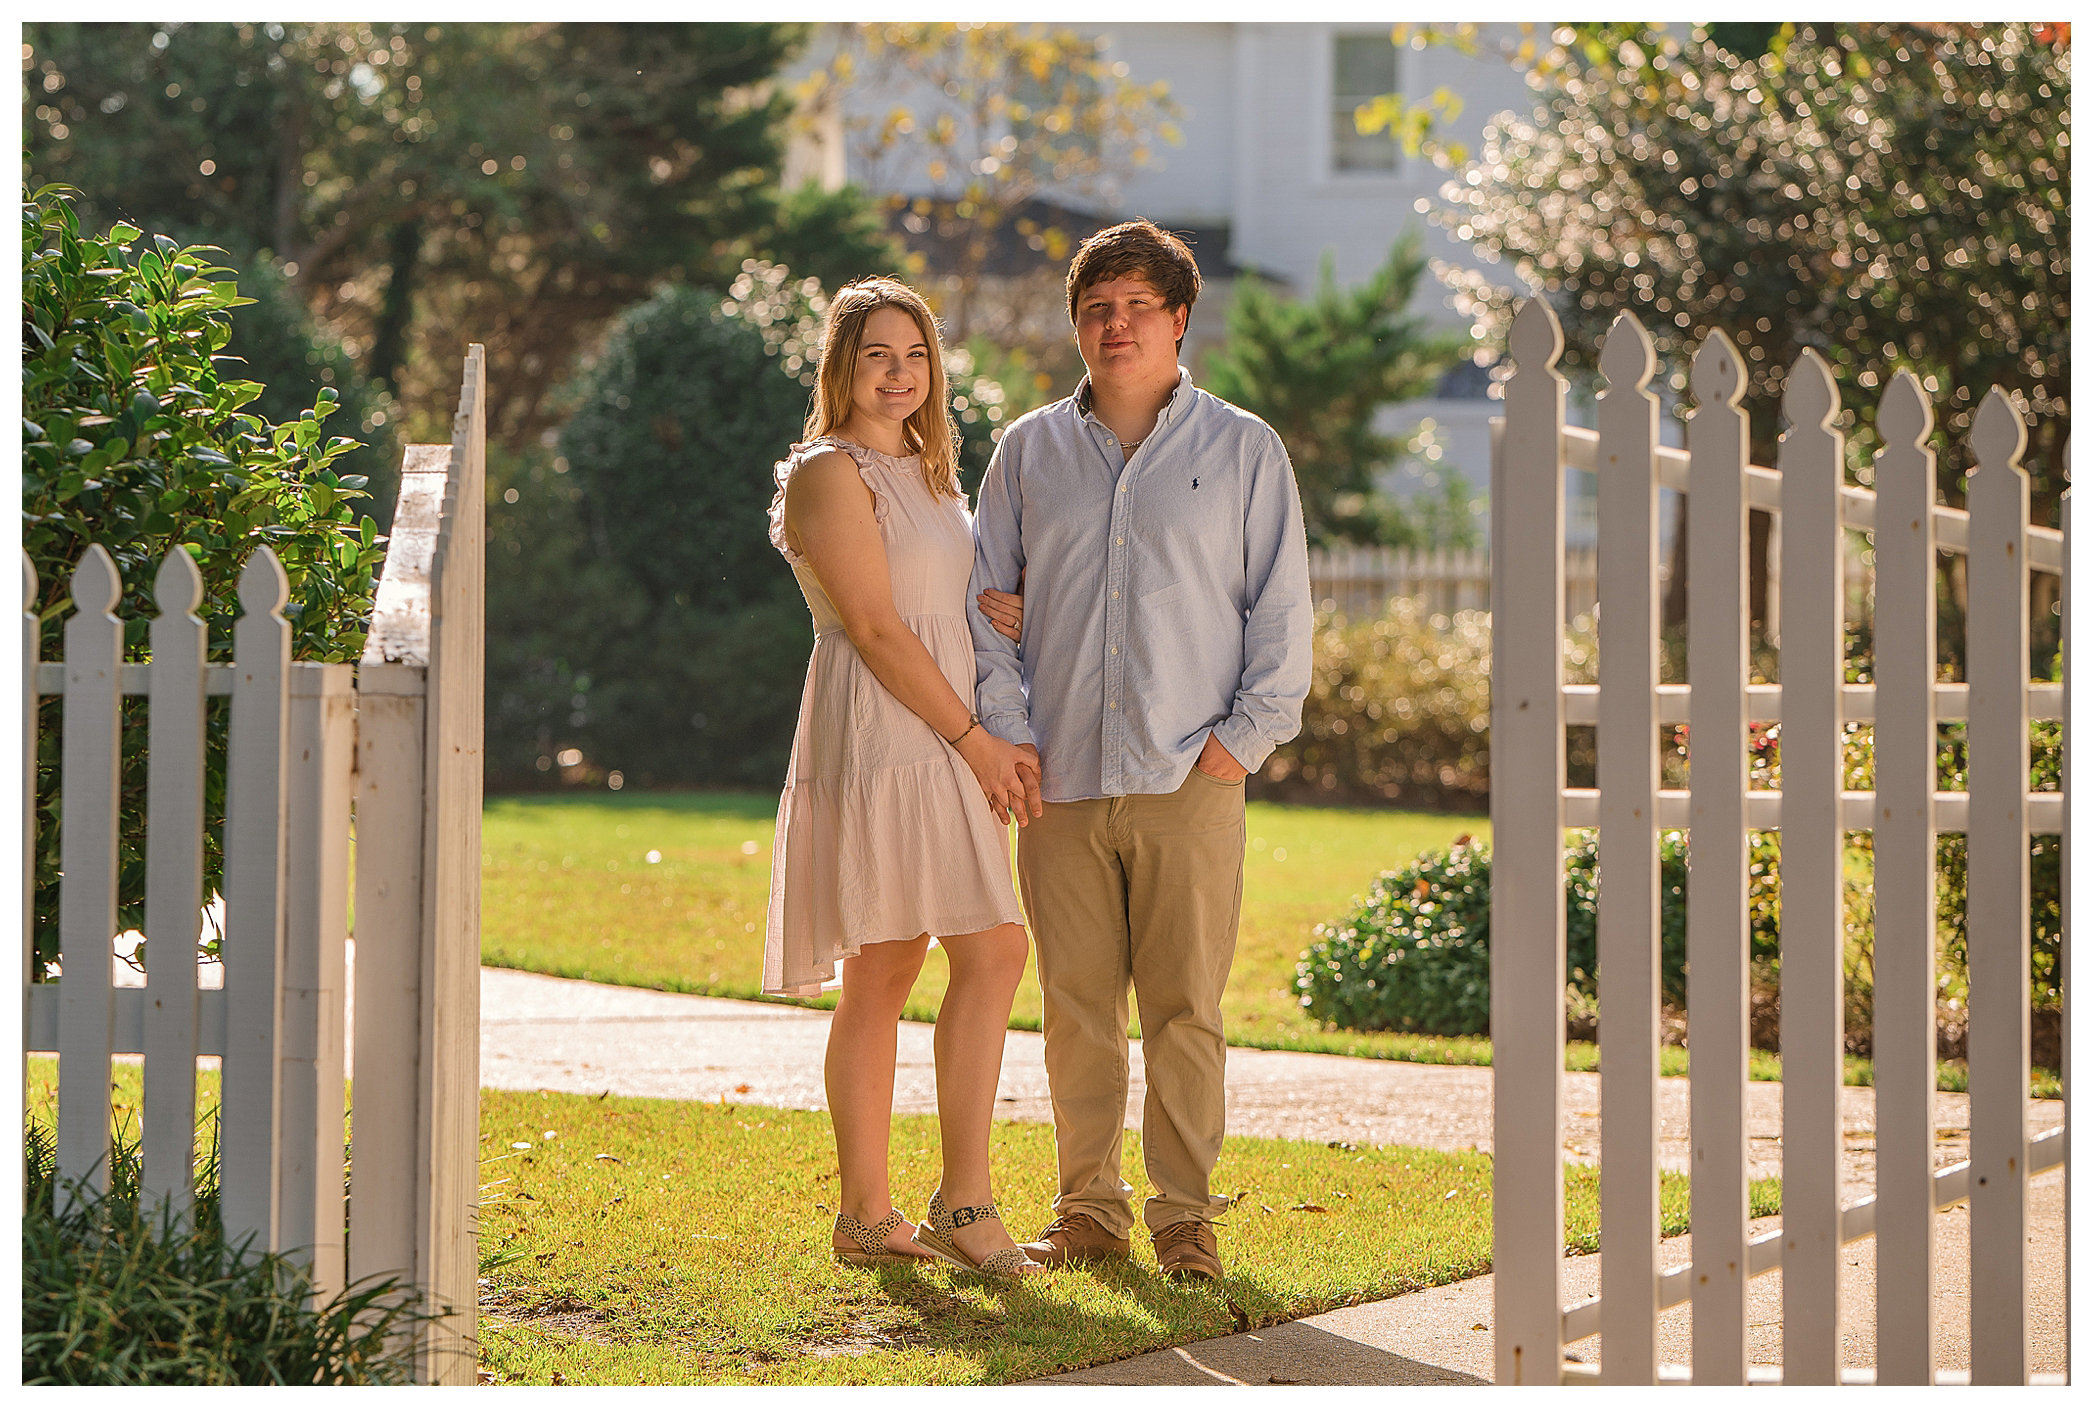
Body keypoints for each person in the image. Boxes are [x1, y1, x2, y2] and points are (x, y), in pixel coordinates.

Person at [967, 220, 1313, 1282]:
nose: (1114, 326)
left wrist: (1239, 742)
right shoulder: (1027, 450)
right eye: (1095, 309)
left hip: (1188, 778)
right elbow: (983, 612)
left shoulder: (1243, 448)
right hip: (1059, 780)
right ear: (1077, 326)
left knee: (1183, 1010)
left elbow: (1280, 611)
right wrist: (1012, 738)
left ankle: (1182, 1218)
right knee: (1075, 1011)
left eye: (1134, 307)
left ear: (1176, 320)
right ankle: (1087, 1211)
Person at [764, 276, 1044, 1280]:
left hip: (941, 717)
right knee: (969, 949)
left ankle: (889, 1210)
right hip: (890, 728)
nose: (898, 373)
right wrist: (974, 741)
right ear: (842, 366)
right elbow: (876, 627)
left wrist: (997, 612)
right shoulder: (829, 472)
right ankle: (941, 1203)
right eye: (876, 354)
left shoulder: (931, 473)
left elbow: (937, 602)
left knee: (929, 960)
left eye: (914, 354)